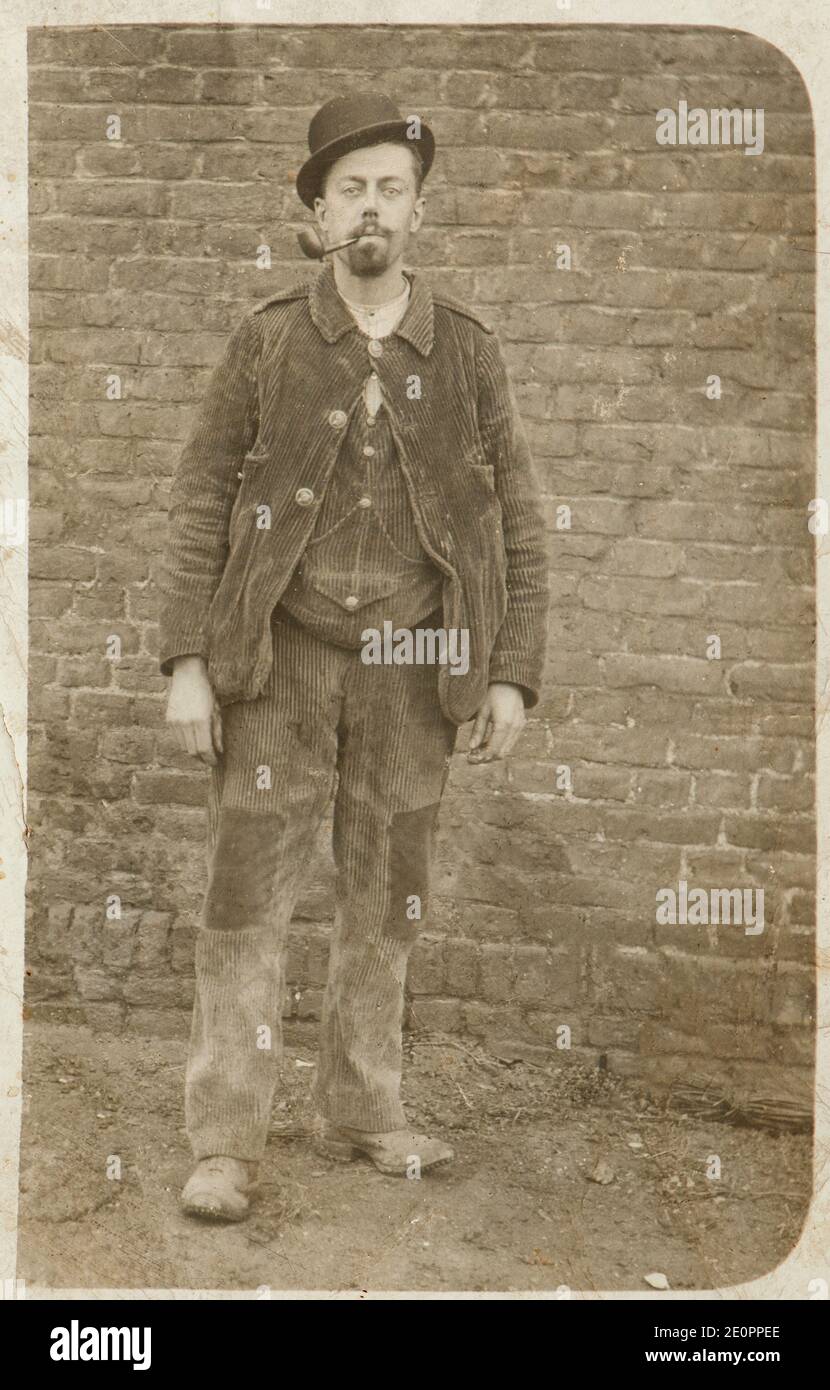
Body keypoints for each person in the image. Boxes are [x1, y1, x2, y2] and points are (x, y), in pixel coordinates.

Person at [158, 92, 549, 1221]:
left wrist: (512, 669)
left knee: (387, 898)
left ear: (418, 212)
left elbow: (519, 522)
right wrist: (189, 659)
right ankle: (225, 1138)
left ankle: (365, 1107)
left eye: (389, 188)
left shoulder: (465, 351)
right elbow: (198, 499)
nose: (368, 208)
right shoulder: (269, 339)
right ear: (316, 212)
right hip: (277, 662)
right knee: (245, 897)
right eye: (348, 189)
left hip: (413, 667)